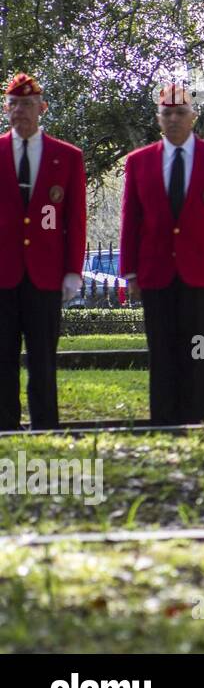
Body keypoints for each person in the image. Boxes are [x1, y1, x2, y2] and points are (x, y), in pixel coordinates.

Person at [120, 83, 204, 424]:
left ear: (194, 118)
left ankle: (193, 416)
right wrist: (130, 272)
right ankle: (163, 419)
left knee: (198, 348)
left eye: (181, 113)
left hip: (202, 275)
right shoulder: (139, 163)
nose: (174, 119)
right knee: (162, 349)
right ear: (159, 119)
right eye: (167, 113)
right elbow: (131, 221)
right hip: (156, 275)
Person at [0, 73, 87, 429]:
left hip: (45, 275)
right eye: (14, 104)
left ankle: (45, 426)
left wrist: (72, 270)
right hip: (2, 274)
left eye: (28, 104)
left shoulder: (66, 157)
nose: (20, 111)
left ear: (42, 108)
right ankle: (4, 427)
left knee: (43, 358)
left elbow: (75, 219)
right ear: (6, 108)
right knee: (2, 358)